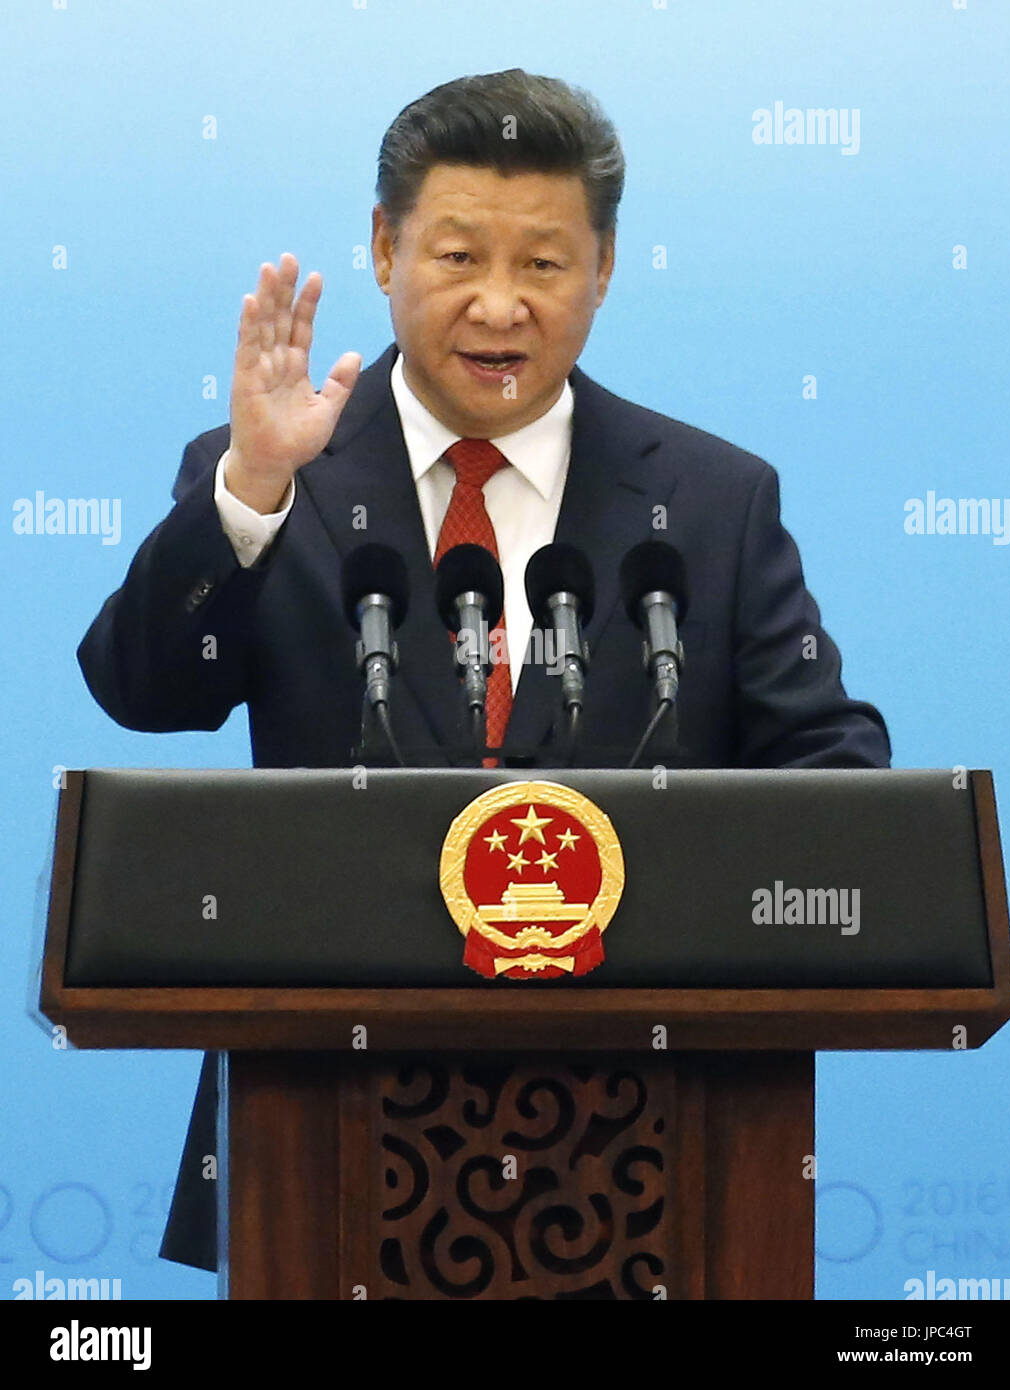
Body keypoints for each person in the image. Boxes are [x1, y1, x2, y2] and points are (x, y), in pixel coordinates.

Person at [77, 69, 891, 1273]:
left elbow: (836, 781)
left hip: (644, 1152)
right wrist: (248, 493)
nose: (499, 306)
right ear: (383, 249)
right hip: (332, 1140)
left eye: (544, 265)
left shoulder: (711, 501)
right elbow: (145, 690)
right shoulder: (268, 470)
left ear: (603, 269)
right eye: (457, 258)